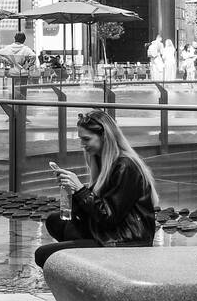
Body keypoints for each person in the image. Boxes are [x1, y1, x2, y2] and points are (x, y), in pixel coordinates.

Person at [35, 109, 159, 268]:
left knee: (43, 254)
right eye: (81, 139)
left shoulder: (125, 167)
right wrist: (70, 191)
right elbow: (90, 214)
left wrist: (80, 189)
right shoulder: (103, 162)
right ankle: (85, 267)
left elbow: (109, 218)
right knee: (55, 220)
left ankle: (86, 269)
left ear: (104, 137)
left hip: (127, 241)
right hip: (107, 233)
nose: (83, 145)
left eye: (86, 139)